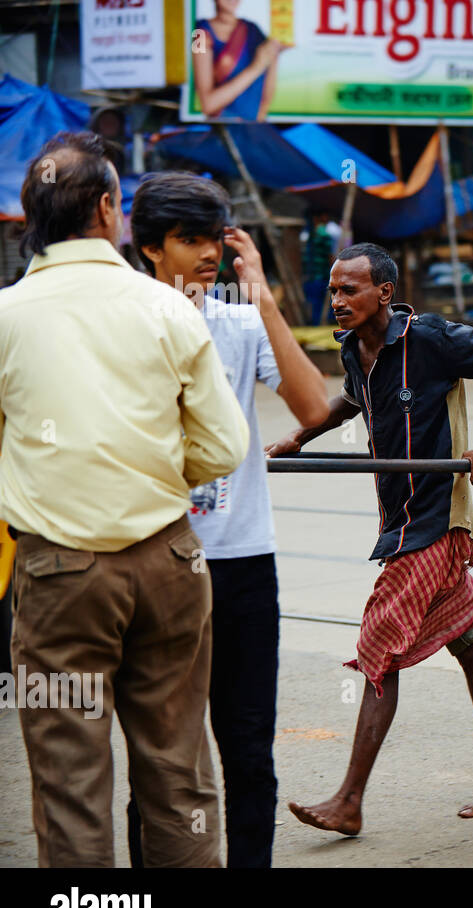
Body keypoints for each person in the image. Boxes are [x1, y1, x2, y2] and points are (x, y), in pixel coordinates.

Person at [0, 132, 249, 867]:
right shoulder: (168, 309)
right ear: (108, 208)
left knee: (71, 782)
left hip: (58, 574)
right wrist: (163, 475)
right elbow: (223, 446)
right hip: (171, 563)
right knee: (178, 767)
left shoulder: (8, 317)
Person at [266, 243, 473, 835]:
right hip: (399, 516)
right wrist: (301, 435)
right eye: (333, 290)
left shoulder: (431, 338)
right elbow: (352, 401)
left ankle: (349, 801)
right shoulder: (355, 349)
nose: (336, 301)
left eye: (349, 290)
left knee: (378, 650)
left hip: (434, 523)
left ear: (383, 293)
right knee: (470, 644)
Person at [123, 172, 331, 868]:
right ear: (150, 248)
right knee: (161, 758)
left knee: (248, 750)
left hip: (243, 560)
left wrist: (266, 298)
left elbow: (313, 410)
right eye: (190, 239)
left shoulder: (241, 322)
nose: (208, 252)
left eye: (215, 237)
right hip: (156, 560)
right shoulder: (124, 323)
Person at [193, 0, 283, 121]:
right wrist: (256, 67)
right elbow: (208, 105)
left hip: (253, 127)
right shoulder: (198, 33)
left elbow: (265, 96)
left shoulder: (253, 30)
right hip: (223, 128)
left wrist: (275, 53)